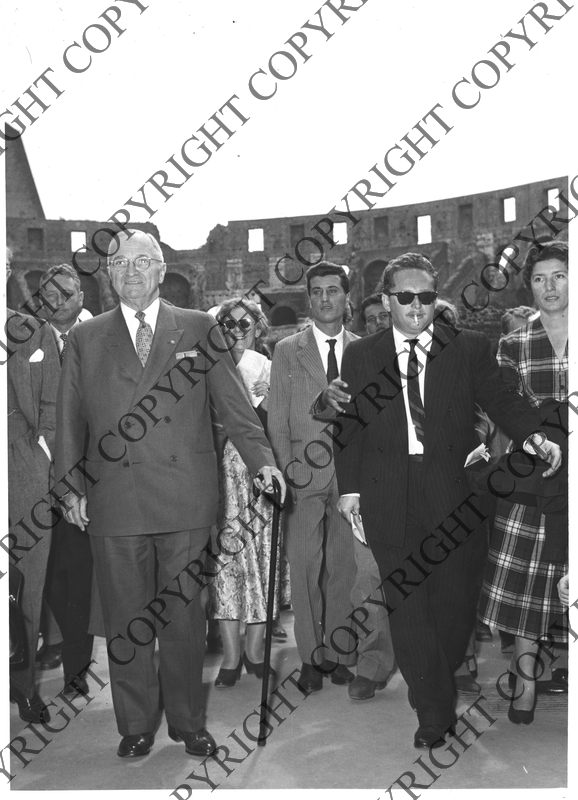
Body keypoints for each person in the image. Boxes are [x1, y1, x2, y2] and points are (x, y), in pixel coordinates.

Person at [54, 229, 285, 759]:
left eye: (142, 261)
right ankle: (136, 723)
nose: (131, 270)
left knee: (183, 619)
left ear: (161, 270)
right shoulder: (86, 338)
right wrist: (70, 488)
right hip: (114, 498)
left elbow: (235, 407)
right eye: (119, 263)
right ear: (108, 275)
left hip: (185, 497)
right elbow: (69, 421)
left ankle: (186, 721)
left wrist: (264, 464)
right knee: (127, 621)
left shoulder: (200, 327)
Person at [334, 252, 561, 749]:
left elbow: (501, 399)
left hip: (455, 493)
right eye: (405, 296)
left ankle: (436, 677)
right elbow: (349, 428)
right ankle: (433, 711)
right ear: (387, 301)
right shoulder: (362, 355)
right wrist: (349, 490)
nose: (416, 306)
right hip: (387, 494)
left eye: (426, 296)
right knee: (409, 608)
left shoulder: (467, 348)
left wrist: (535, 435)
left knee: (455, 608)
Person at [479, 240, 569, 723]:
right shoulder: (513, 344)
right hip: (535, 474)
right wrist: (541, 439)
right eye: (539, 278)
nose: (549, 287)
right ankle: (527, 682)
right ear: (528, 286)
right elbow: (507, 408)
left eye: (560, 275)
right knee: (529, 590)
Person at [269, 262, 360, 693]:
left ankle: (340, 654)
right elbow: (277, 417)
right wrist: (283, 475)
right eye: (317, 291)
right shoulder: (288, 350)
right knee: (304, 567)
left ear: (347, 297)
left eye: (333, 290)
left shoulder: (363, 349)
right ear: (309, 298)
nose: (325, 298)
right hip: (302, 475)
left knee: (344, 568)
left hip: (350, 478)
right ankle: (310, 656)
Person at [208, 297, 281, 686]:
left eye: (245, 323)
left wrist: (271, 399)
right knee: (225, 562)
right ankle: (230, 656)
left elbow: (278, 427)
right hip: (218, 475)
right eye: (229, 323)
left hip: (259, 475)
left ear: (259, 327)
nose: (237, 330)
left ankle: (255, 651)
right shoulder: (206, 365)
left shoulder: (272, 367)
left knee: (262, 561)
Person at [6, 247, 60, 723]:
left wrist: (43, 454)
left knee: (27, 579)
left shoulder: (33, 330)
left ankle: (22, 685)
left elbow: (52, 404)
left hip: (23, 470)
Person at [36, 264, 94, 696]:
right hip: (37, 479)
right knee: (49, 575)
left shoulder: (97, 337)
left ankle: (76, 668)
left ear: (81, 297)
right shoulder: (29, 341)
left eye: (66, 293)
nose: (57, 301)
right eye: (49, 294)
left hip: (86, 478)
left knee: (79, 576)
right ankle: (62, 642)